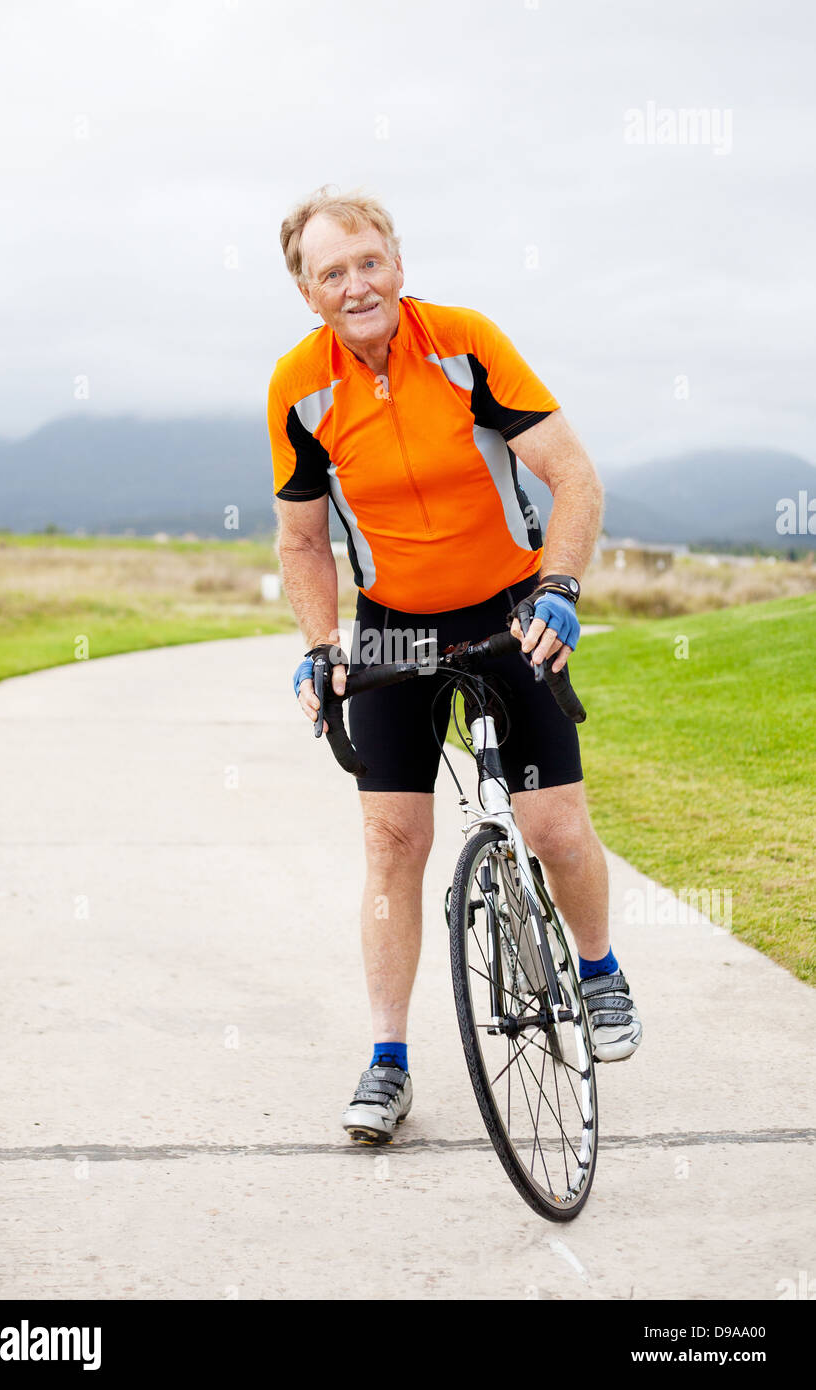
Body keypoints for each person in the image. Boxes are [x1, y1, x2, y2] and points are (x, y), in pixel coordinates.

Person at [267, 186, 641, 1145]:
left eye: (368, 261)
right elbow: (304, 545)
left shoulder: (466, 341)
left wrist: (560, 586)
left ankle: (595, 968)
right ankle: (388, 1061)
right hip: (393, 626)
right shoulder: (297, 388)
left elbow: (573, 475)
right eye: (331, 273)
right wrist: (320, 647)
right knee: (392, 842)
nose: (356, 286)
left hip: (514, 605)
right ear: (307, 292)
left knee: (554, 826)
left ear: (397, 261)